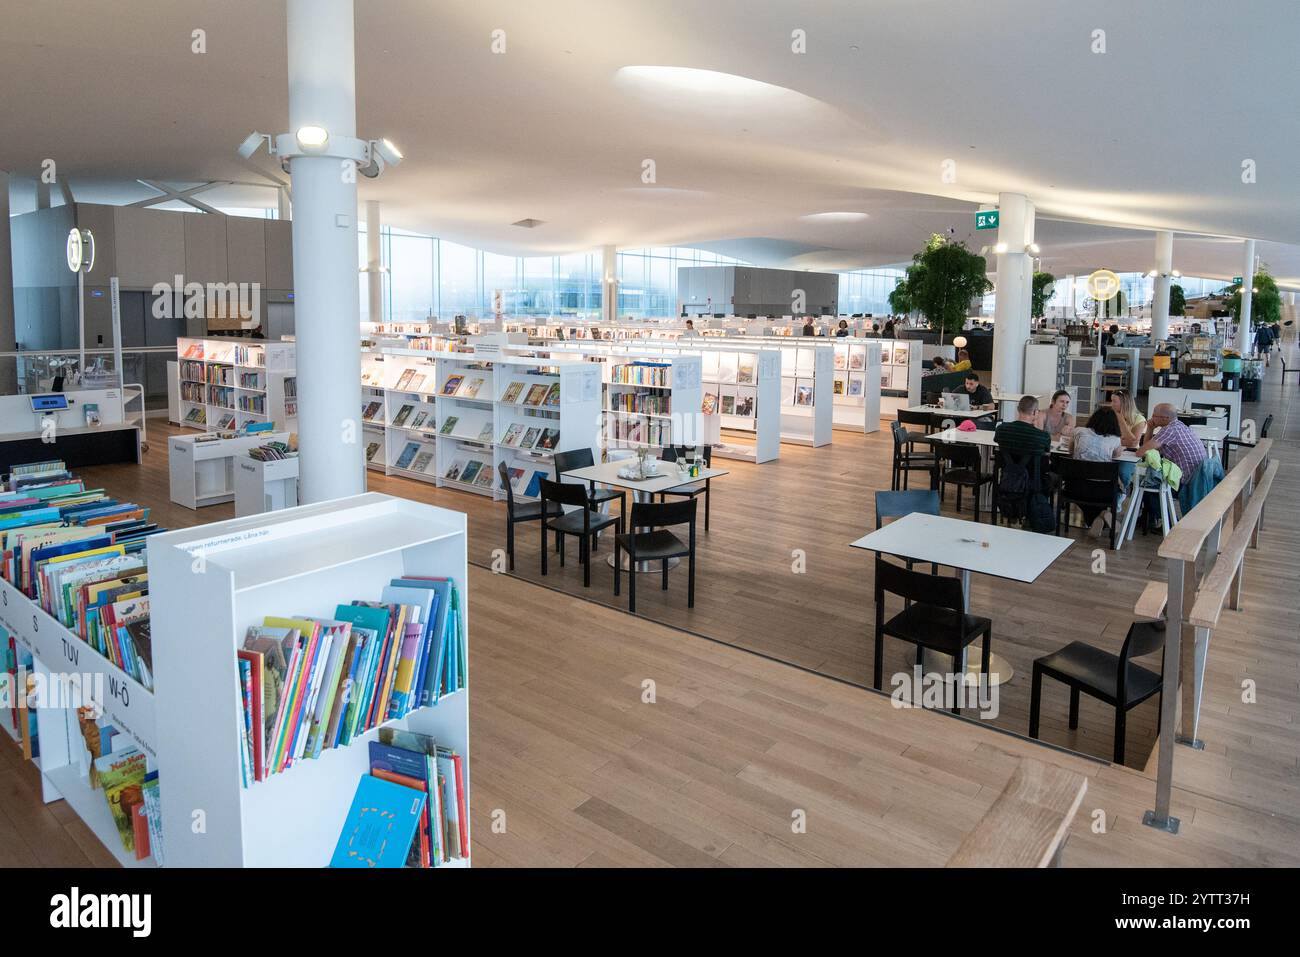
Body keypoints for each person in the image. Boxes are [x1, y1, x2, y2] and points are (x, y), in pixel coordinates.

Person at [1139, 403, 1206, 478]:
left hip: (1185, 479)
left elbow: (1142, 452)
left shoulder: (1169, 430)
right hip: (1198, 475)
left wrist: (1149, 428)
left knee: (1139, 473)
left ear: (1165, 418)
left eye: (1154, 416)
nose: (1151, 419)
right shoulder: (1180, 426)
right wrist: (1150, 428)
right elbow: (1148, 452)